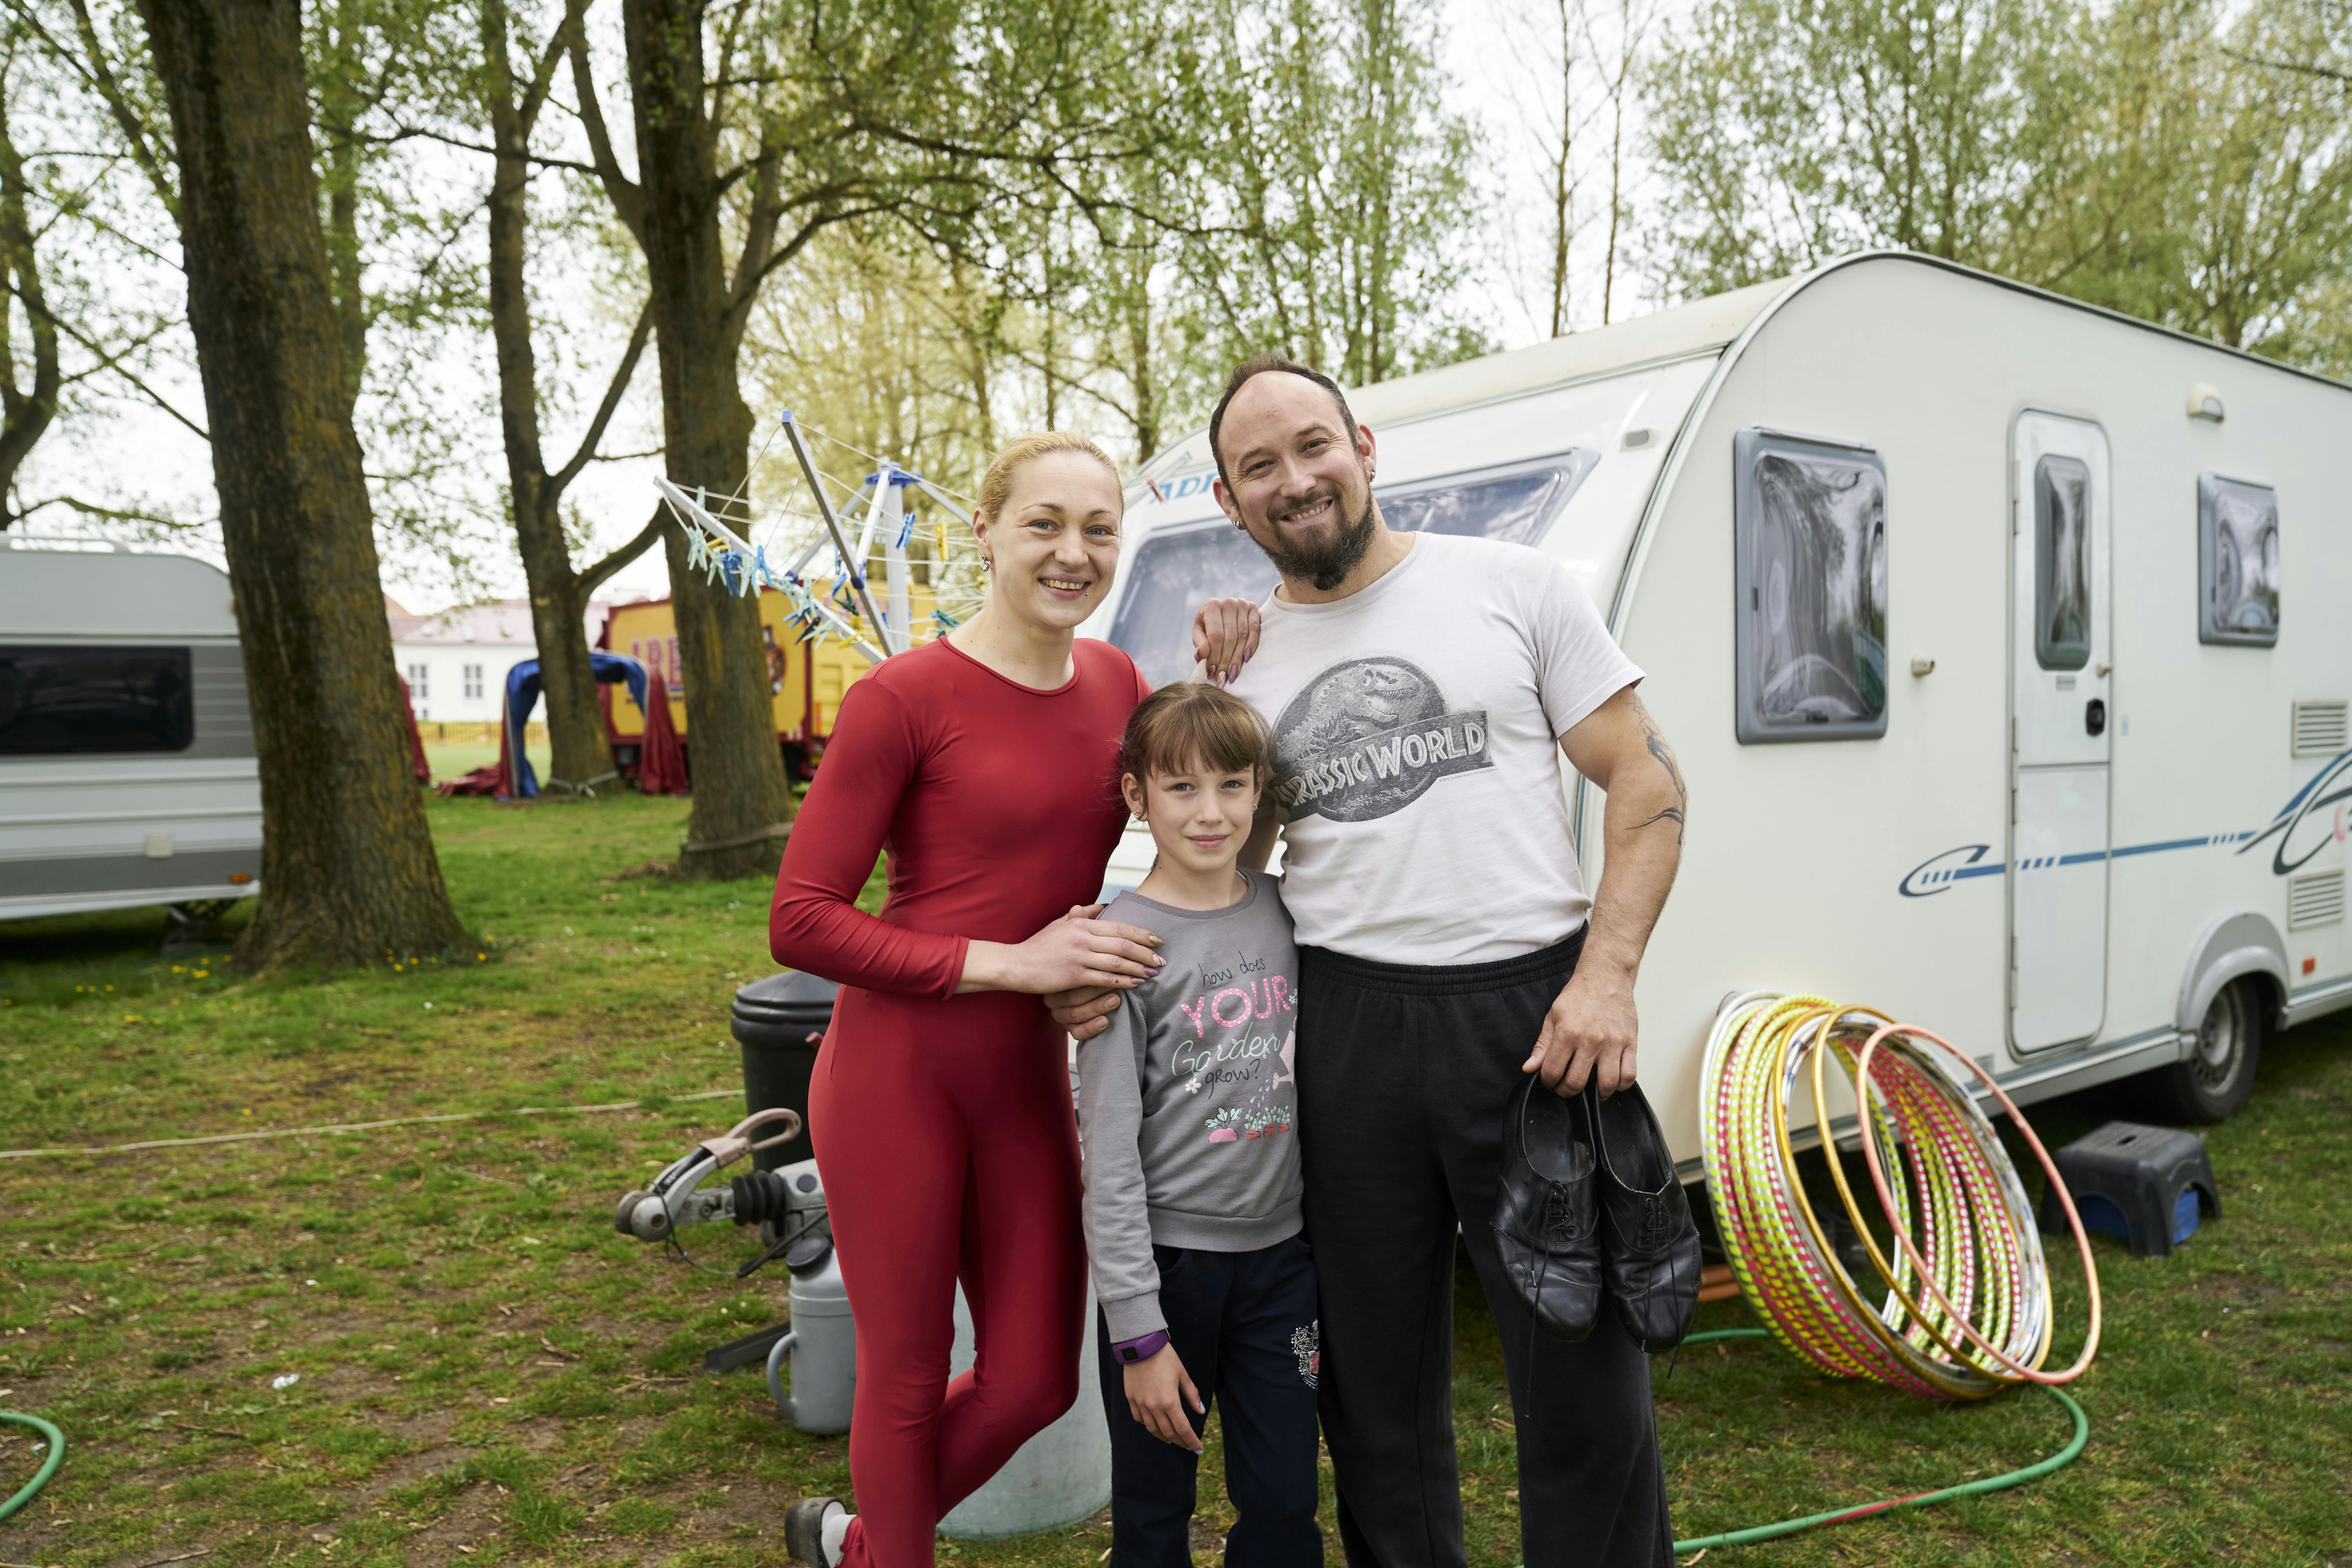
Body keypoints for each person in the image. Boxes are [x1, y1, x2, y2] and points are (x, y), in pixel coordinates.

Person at [1054, 355, 1690, 1568]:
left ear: (1365, 446)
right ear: (1233, 508)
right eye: (1259, 469)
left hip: (1534, 1010)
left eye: (1312, 446)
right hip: (1340, 1023)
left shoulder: (1518, 588)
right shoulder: (1237, 673)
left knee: (1583, 1357)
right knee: (1373, 1383)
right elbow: (1203, 854)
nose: (1295, 480)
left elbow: (1647, 776)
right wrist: (1088, 959)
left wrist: (1606, 977)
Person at [770, 431, 1176, 1568]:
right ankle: (891, 1557)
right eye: (1044, 524)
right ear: (986, 532)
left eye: (1098, 529)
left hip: (1025, 1082)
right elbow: (802, 918)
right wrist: (1018, 964)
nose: (1072, 552)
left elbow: (1205, 802)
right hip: (897, 1074)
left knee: (1039, 1378)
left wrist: (1238, 658)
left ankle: (863, 1549)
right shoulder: (905, 696)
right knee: (903, 1375)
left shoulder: (1121, 686)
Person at [1076, 681, 1319, 1568]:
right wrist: (1138, 1332)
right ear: (1138, 795)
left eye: (1231, 785)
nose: (1210, 812)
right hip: (1169, 1271)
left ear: (1261, 792)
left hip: (1281, 1266)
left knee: (1288, 1498)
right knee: (1152, 1507)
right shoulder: (1121, 946)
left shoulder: (1294, 910)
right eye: (1181, 788)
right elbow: (1106, 1155)